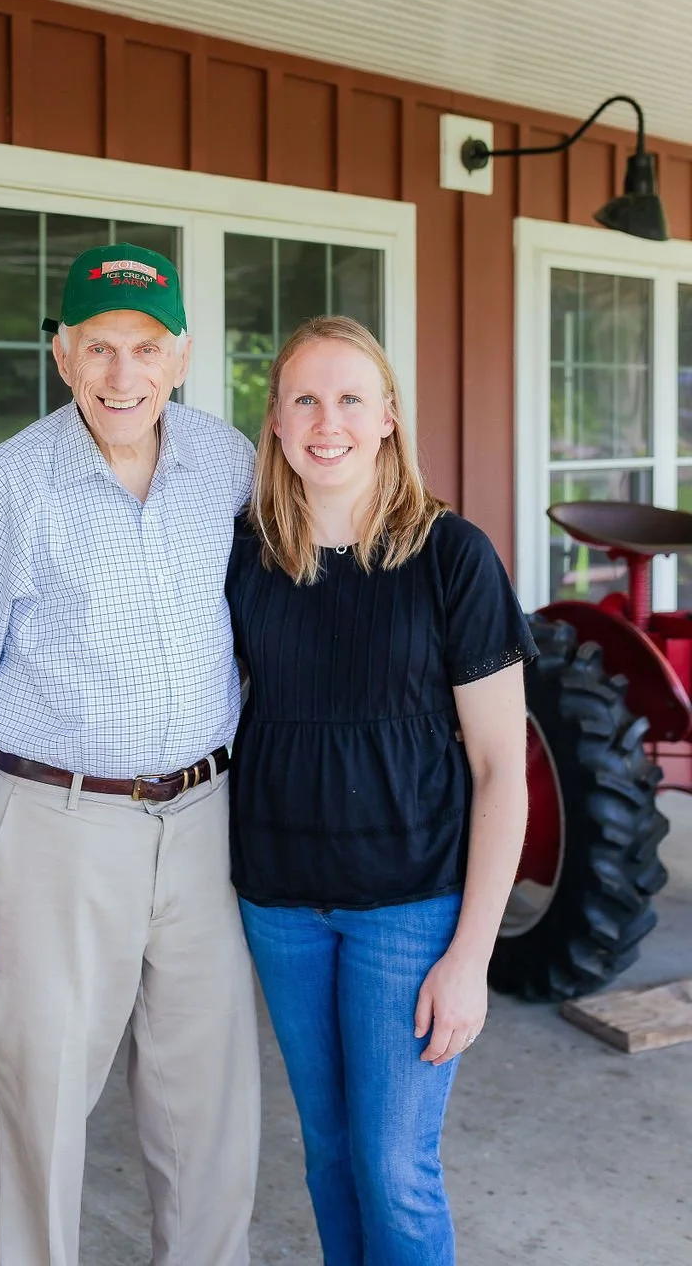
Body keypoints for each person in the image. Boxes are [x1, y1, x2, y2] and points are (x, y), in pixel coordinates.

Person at [0, 245, 260, 1266]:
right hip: (53, 828)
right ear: (61, 352)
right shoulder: (7, 488)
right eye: (98, 346)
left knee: (209, 1115)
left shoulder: (227, 464)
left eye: (145, 348)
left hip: (204, 824)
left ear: (180, 355)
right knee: (43, 1112)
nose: (122, 374)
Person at [225, 316, 533, 1266]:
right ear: (274, 424)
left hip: (411, 906)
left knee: (395, 1167)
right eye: (305, 400)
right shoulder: (245, 554)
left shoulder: (452, 556)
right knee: (328, 1155)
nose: (329, 422)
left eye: (352, 399)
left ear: (390, 417)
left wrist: (471, 955)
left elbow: (500, 769)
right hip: (279, 902)